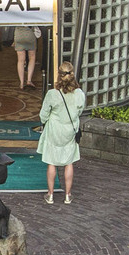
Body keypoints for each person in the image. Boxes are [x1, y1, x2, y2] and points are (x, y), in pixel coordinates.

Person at [39, 61, 86, 205]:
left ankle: (50, 195)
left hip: (54, 129)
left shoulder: (52, 94)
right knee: (69, 162)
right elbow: (79, 111)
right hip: (69, 130)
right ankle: (67, 195)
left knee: (52, 162)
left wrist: (46, 121)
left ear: (59, 75)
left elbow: (43, 115)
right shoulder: (79, 94)